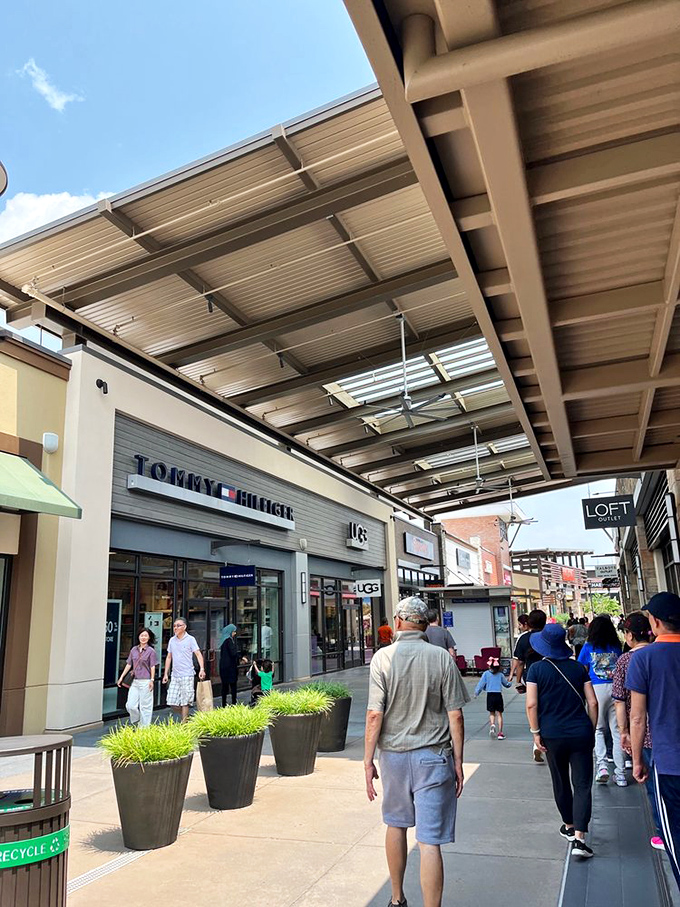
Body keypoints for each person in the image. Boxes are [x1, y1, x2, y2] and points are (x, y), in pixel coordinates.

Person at [365, 596, 469, 907]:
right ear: (424, 624)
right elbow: (456, 714)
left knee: (395, 824)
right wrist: (458, 762)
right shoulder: (441, 658)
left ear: (397, 622)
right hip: (434, 757)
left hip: (394, 757)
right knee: (429, 842)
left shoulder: (382, 659)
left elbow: (374, 714)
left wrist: (368, 760)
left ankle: (397, 899)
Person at [526, 624, 599, 859]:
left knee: (560, 781)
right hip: (580, 733)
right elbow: (593, 703)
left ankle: (568, 824)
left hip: (551, 734)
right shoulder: (579, 668)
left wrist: (536, 732)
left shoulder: (536, 670)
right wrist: (591, 727)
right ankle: (580, 838)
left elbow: (531, 704)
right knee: (583, 784)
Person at [627, 592, 680, 891]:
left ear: (656, 622)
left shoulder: (643, 659)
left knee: (674, 837)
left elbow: (637, 718)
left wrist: (637, 759)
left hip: (669, 763)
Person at [611, 611, 662, 850]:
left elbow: (620, 701)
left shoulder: (624, 661)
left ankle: (662, 832)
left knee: (653, 787)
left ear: (630, 635)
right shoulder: (662, 654)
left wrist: (624, 732)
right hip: (667, 728)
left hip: (644, 733)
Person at [577, 614, 625, 785]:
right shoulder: (616, 646)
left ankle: (602, 766)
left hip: (595, 689)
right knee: (617, 730)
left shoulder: (588, 646)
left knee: (598, 729)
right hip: (616, 689)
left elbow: (582, 667)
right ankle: (620, 774)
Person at [511, 608, 547, 763]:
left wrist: (518, 681)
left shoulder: (524, 638)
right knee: (547, 707)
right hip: (549, 675)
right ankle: (542, 740)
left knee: (534, 707)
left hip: (531, 677)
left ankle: (536, 739)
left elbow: (519, 662)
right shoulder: (547, 636)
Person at [162, 618, 205, 722]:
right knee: (172, 702)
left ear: (184, 627)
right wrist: (165, 674)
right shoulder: (172, 640)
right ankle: (187, 718)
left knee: (185, 702)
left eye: (178, 625)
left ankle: (184, 724)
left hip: (187, 674)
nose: (176, 628)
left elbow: (198, 654)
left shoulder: (190, 639)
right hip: (175, 675)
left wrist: (202, 669)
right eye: (174, 626)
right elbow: (169, 657)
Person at [117, 627, 158, 727]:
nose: (143, 637)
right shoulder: (134, 650)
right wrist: (121, 677)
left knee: (145, 707)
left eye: (145, 636)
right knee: (130, 705)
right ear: (138, 636)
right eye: (141, 635)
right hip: (134, 681)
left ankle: (144, 729)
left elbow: (152, 666)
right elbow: (129, 664)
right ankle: (136, 721)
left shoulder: (151, 651)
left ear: (149, 638)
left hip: (146, 681)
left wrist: (152, 680)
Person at [474, 657, 512, 739]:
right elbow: (506, 684)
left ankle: (492, 725)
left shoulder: (486, 674)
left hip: (490, 695)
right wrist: (510, 682)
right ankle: (500, 733)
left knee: (492, 713)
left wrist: (477, 692)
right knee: (499, 714)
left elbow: (481, 684)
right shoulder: (500, 675)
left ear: (489, 666)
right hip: (498, 695)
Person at [219, 623, 240, 706]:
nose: (235, 633)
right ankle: (234, 703)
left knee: (224, 686)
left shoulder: (222, 640)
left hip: (223, 666)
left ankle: (224, 704)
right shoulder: (229, 640)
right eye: (234, 632)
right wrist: (241, 656)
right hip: (230, 667)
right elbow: (233, 653)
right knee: (233, 686)